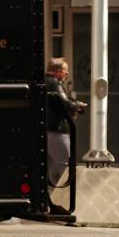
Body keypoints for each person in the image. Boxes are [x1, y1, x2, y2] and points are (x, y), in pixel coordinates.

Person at [45, 58, 84, 187]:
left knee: (51, 169)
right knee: (66, 168)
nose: (67, 74)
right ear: (58, 71)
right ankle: (68, 200)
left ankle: (52, 201)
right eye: (66, 71)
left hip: (47, 130)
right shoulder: (54, 83)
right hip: (57, 131)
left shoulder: (44, 82)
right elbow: (64, 103)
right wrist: (77, 106)